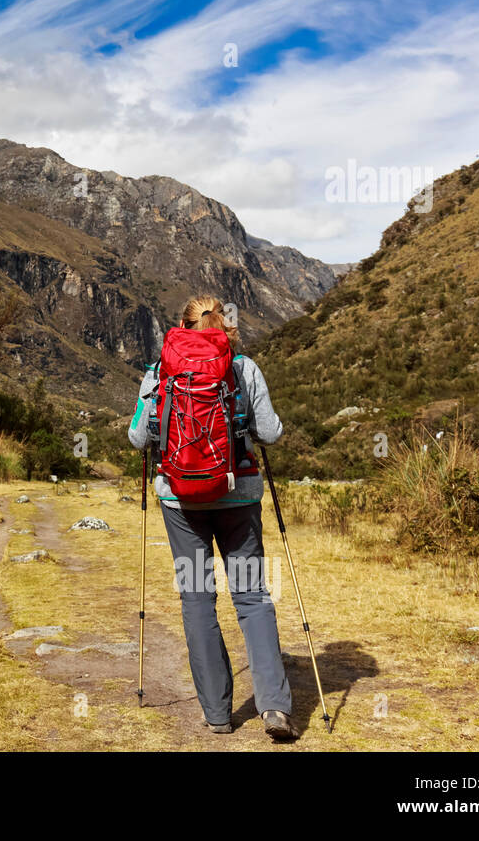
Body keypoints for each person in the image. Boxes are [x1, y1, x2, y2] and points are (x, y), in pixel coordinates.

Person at [128, 295, 299, 741]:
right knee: (252, 598)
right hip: (238, 498)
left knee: (198, 599)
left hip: (182, 503)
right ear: (228, 326)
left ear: (181, 326)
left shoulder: (159, 370)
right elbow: (270, 433)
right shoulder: (244, 368)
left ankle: (218, 714)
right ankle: (275, 708)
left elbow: (136, 437)